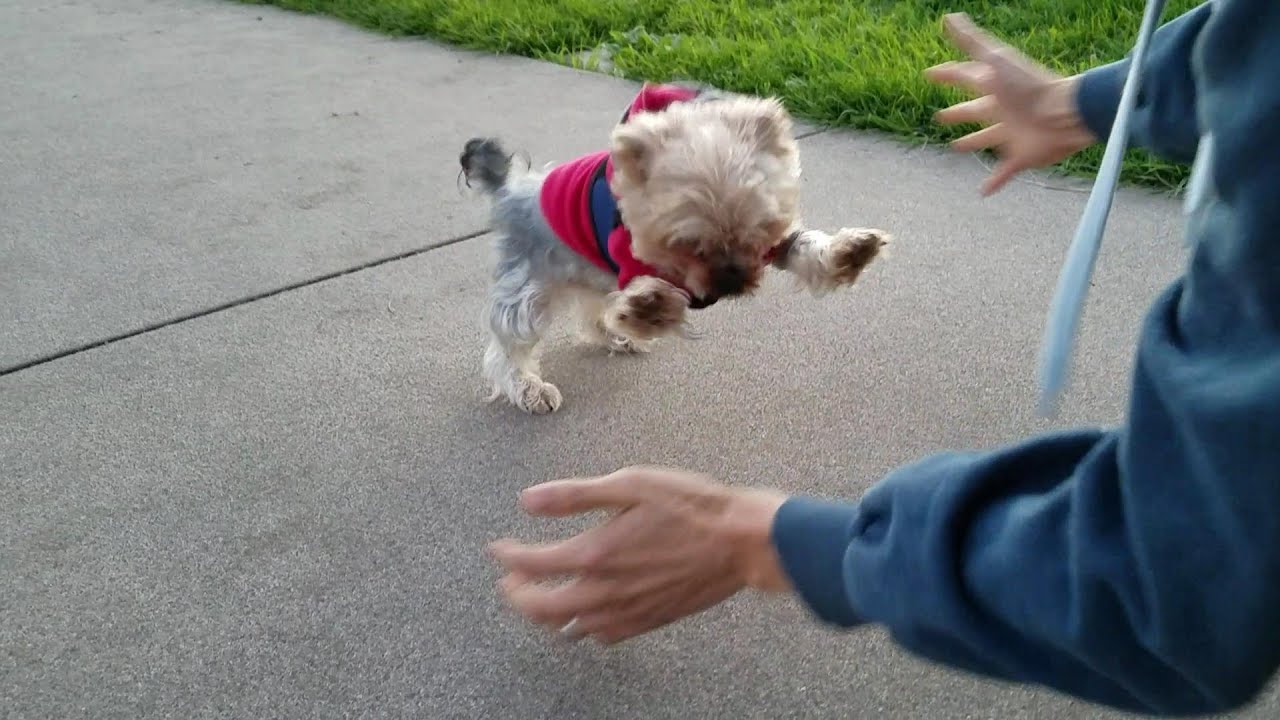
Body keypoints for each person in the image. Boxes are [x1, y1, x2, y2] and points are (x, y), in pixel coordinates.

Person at [487, 3, 1280, 715]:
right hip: (545, 232)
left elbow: (1177, 592)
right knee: (539, 312)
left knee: (702, 270)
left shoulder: (732, 161)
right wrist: (1088, 99)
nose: (737, 276)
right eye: (699, 248)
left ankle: (798, 264)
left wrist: (773, 539)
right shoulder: (640, 191)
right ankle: (512, 366)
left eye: (752, 239)